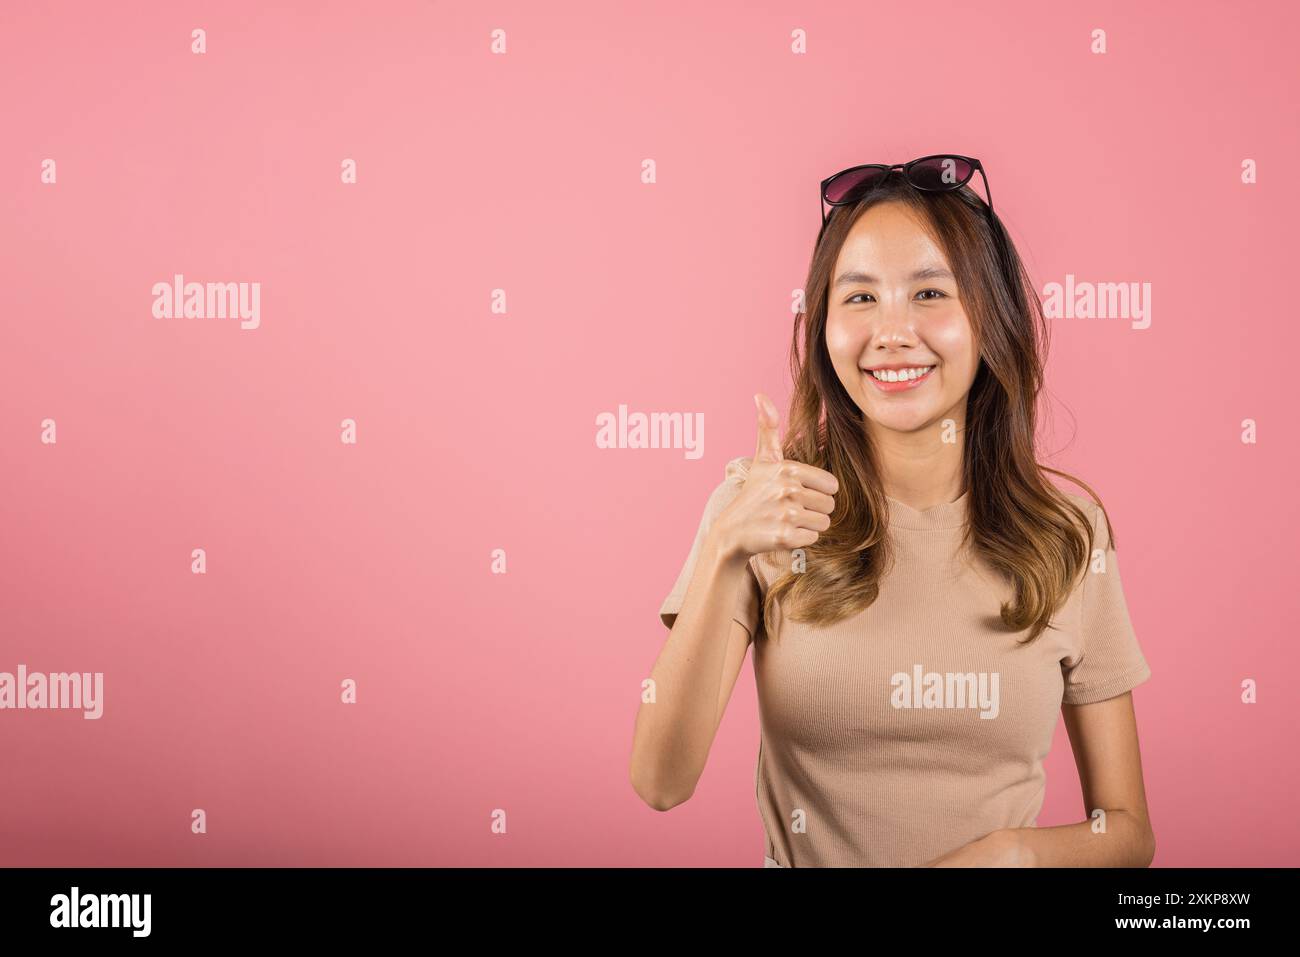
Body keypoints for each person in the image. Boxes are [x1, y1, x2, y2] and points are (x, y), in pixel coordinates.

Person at [628, 156, 1155, 868]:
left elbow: (1126, 833)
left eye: (930, 292)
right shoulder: (764, 507)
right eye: (861, 298)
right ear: (822, 327)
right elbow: (660, 781)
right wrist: (726, 545)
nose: (893, 332)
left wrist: (1010, 855)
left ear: (990, 317)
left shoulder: (1067, 534)